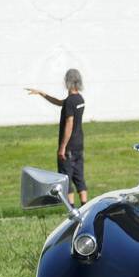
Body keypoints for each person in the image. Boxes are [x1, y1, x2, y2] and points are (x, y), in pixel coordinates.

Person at [25, 69, 88, 206]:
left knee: (66, 178)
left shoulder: (70, 101)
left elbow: (69, 123)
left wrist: (62, 147)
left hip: (69, 147)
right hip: (79, 144)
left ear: (68, 81)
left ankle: (71, 209)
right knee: (79, 177)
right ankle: (85, 206)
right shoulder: (79, 99)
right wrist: (41, 93)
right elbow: (59, 102)